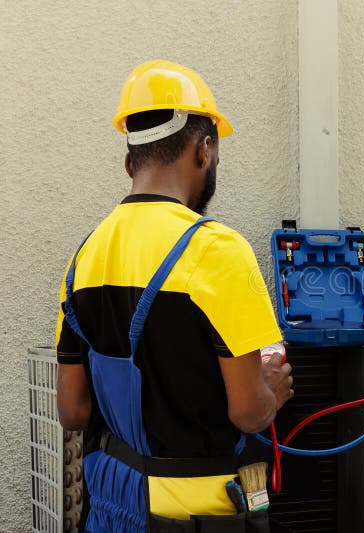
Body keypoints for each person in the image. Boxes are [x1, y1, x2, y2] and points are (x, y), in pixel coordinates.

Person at [55, 60, 294, 532]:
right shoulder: (218, 251)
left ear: (130, 162)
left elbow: (73, 411)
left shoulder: (84, 257)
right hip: (196, 511)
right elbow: (247, 412)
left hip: (111, 501)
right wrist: (271, 392)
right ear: (204, 151)